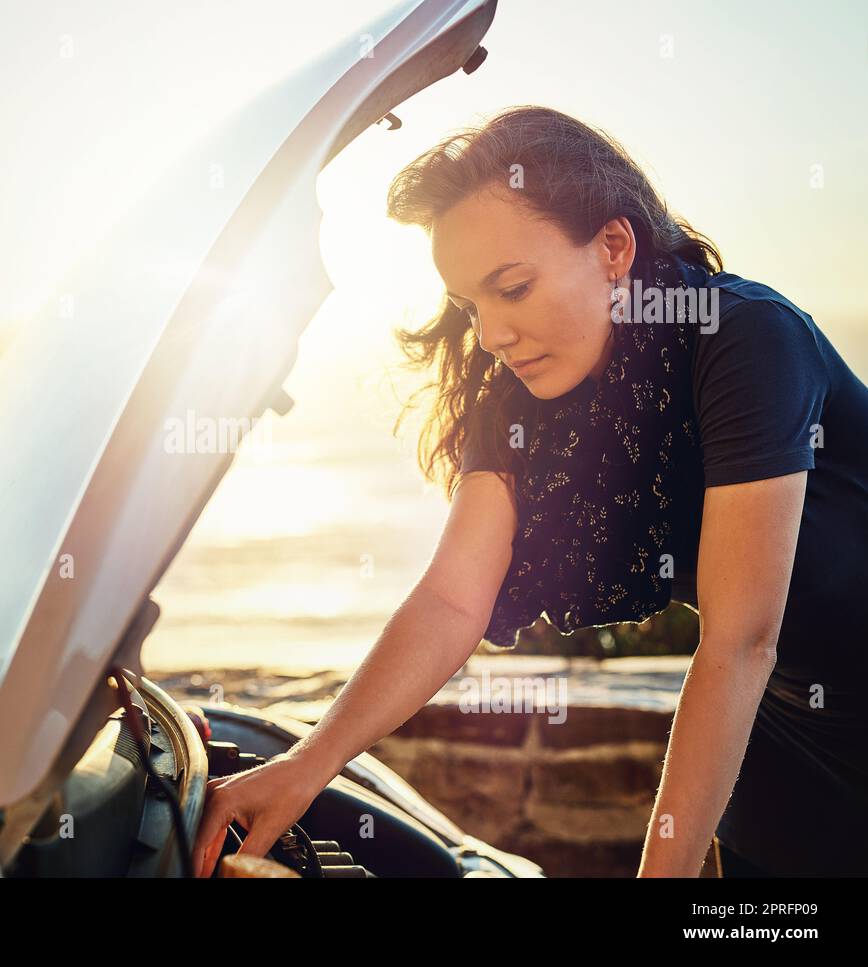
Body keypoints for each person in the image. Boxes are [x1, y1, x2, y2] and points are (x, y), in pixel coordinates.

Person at [191, 106, 868, 878]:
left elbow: (741, 636)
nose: (487, 335)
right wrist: (306, 765)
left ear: (615, 247)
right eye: (470, 306)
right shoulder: (517, 398)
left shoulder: (745, 338)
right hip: (786, 736)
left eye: (511, 287)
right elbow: (453, 599)